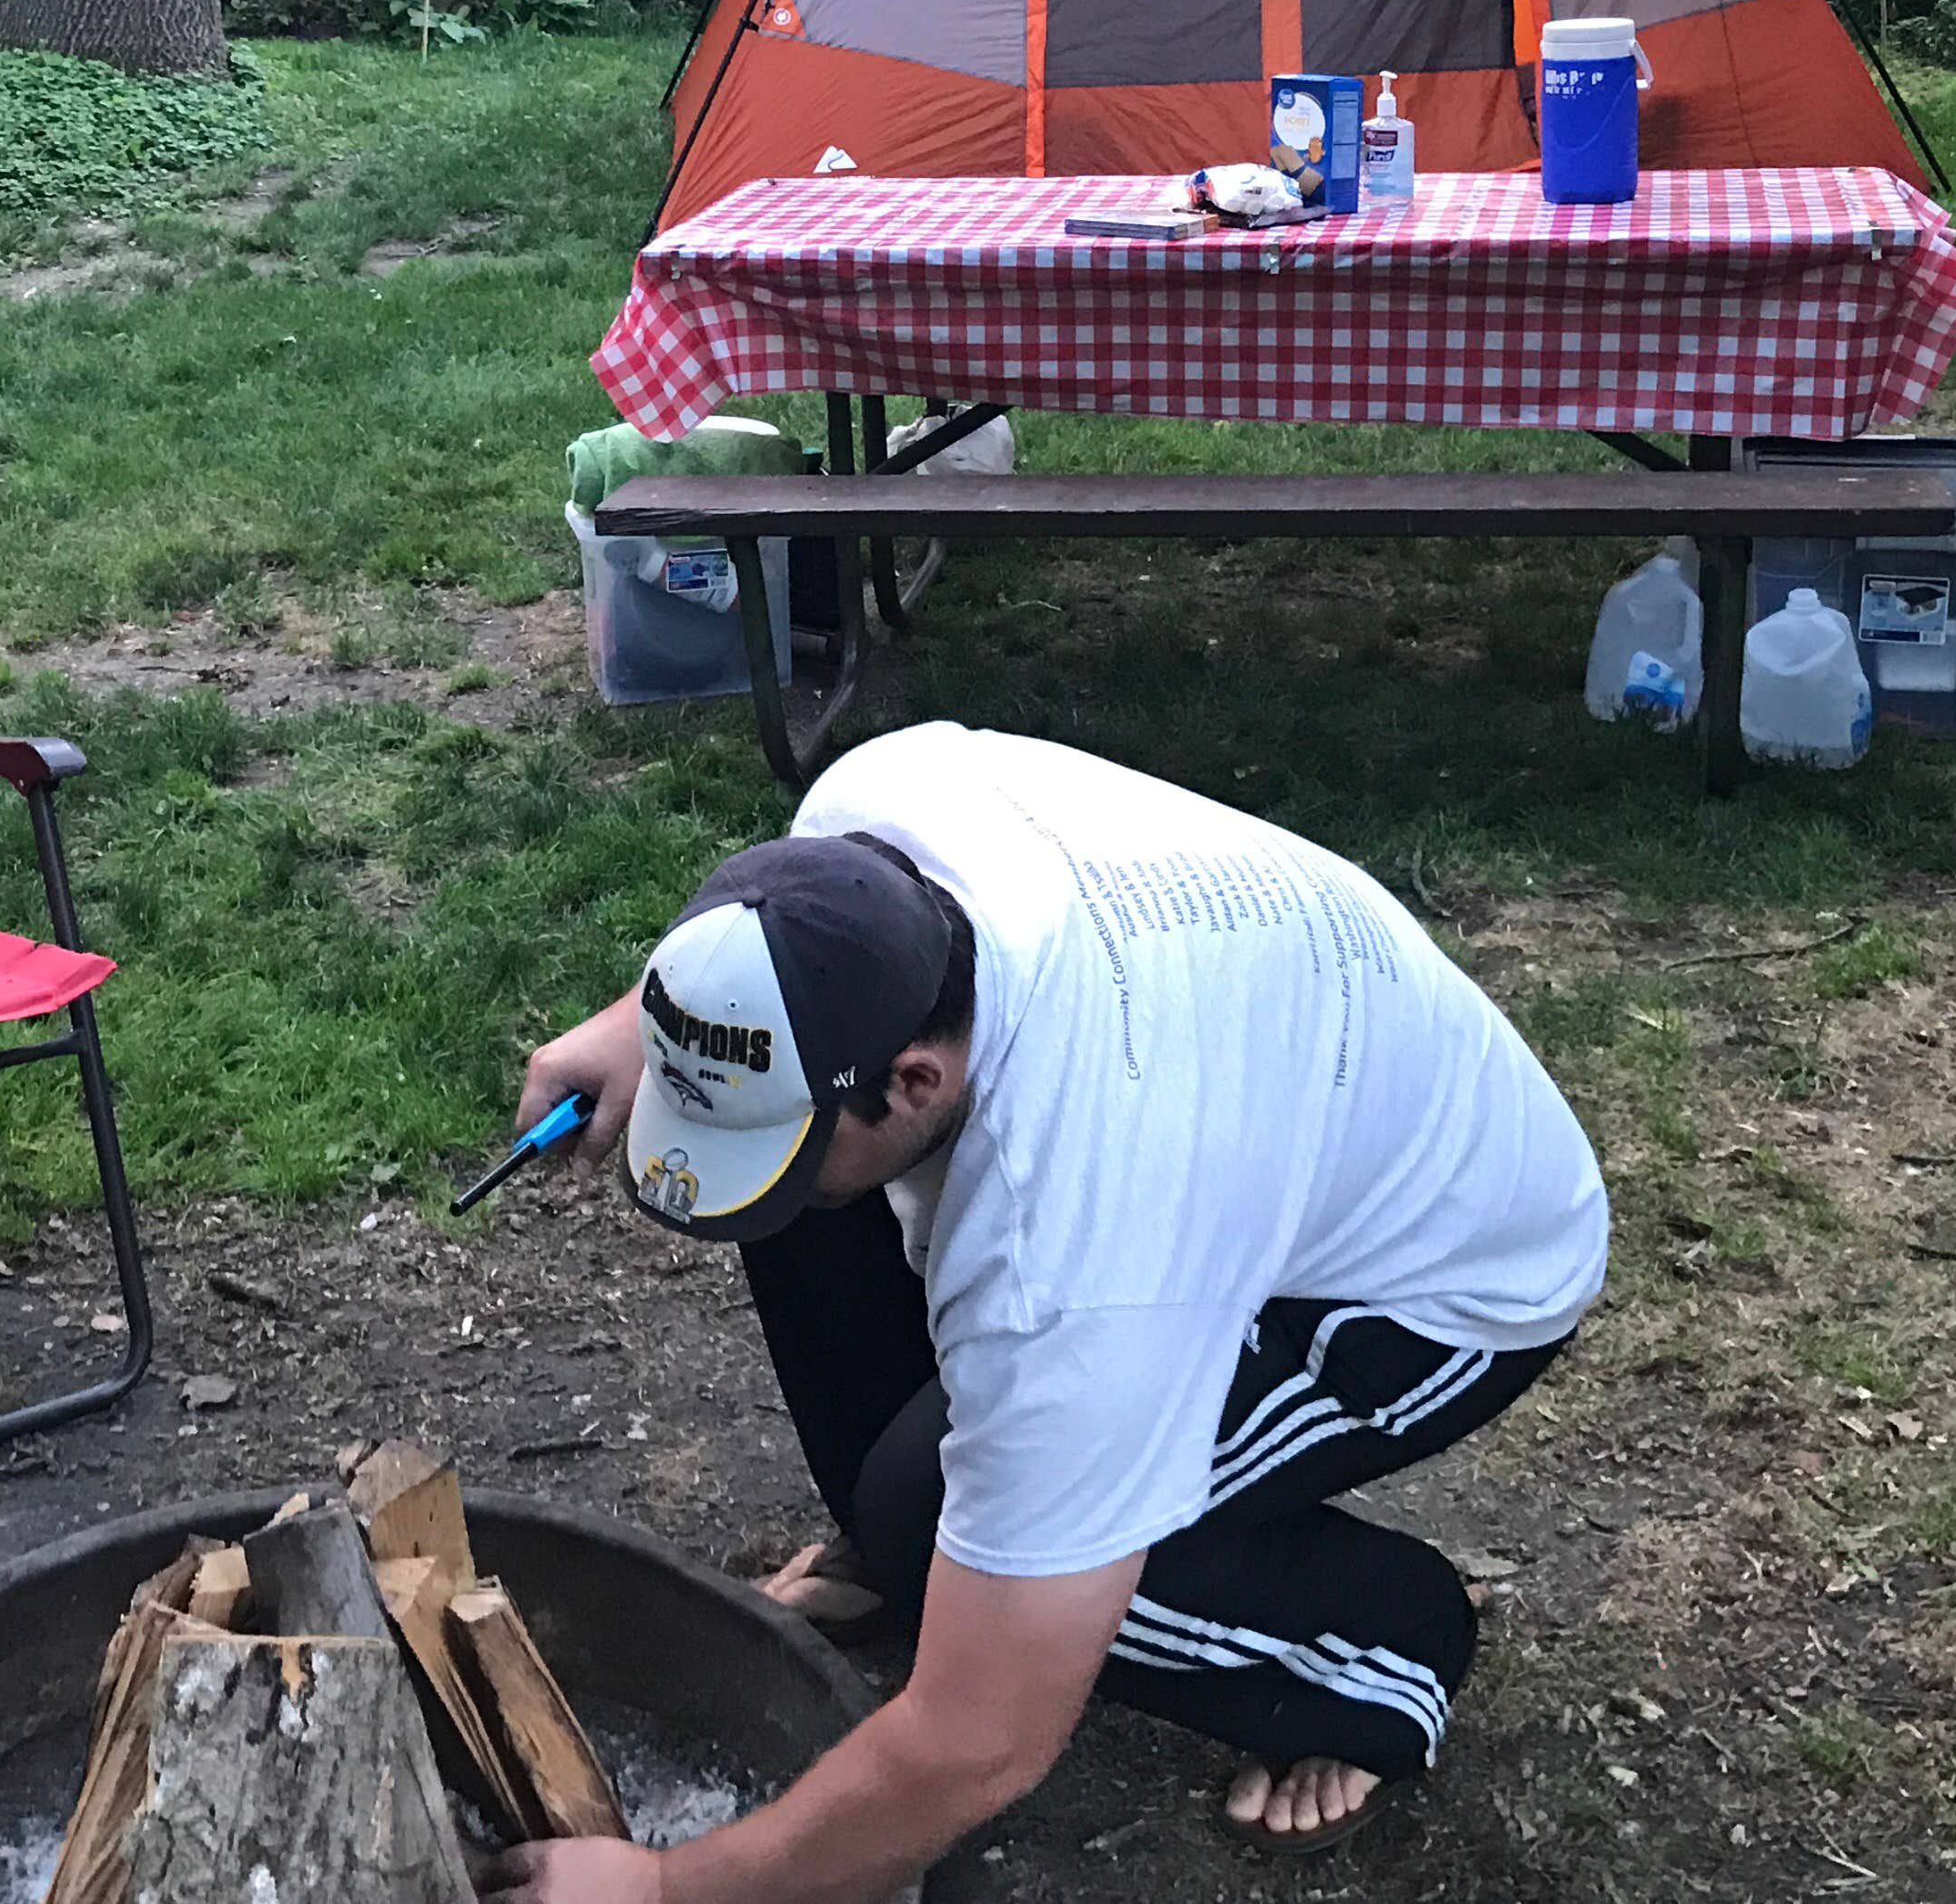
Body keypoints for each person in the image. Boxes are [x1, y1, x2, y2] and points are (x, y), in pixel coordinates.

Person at [482, 723, 1606, 1902]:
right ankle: (909, 1542)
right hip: (1268, 1120)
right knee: (800, 1197)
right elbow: (783, 935)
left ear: (919, 1078)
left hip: (1426, 1287)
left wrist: (668, 1892)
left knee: (952, 1509)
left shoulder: (1084, 1251)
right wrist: (658, 1026)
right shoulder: (877, 807)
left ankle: (1380, 1652)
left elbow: (984, 1739)